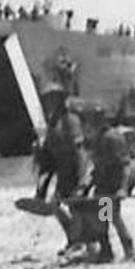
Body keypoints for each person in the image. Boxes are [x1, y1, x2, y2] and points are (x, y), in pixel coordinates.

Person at [36, 90, 88, 257]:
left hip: (73, 168)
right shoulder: (52, 122)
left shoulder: (70, 120)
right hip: (62, 169)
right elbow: (49, 156)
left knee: (76, 206)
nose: (49, 102)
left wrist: (82, 178)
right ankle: (74, 239)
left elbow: (79, 151)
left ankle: (82, 241)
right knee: (56, 205)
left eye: (52, 99)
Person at [86, 113, 135, 263]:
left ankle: (129, 250)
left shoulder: (112, 138)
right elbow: (97, 166)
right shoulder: (98, 139)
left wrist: (122, 188)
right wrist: (87, 186)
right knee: (103, 217)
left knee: (114, 217)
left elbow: (125, 166)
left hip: (113, 184)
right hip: (102, 184)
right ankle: (106, 251)